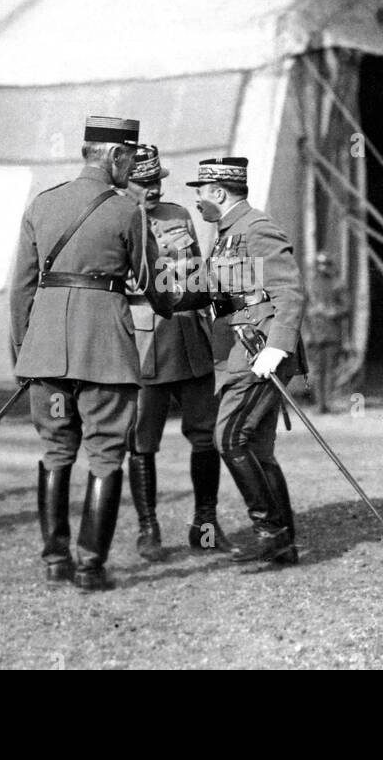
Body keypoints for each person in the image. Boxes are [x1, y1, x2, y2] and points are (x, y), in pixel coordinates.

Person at [10, 117, 179, 591]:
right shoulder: (127, 212)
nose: (131, 167)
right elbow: (152, 281)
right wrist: (173, 304)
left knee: (56, 450)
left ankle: (54, 560)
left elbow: (21, 288)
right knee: (105, 455)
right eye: (128, 157)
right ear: (114, 157)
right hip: (103, 349)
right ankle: (89, 566)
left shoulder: (42, 204)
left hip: (44, 352)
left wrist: (25, 353)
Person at [188, 157, 307, 565]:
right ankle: (283, 544)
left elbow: (289, 292)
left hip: (258, 352)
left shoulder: (256, 228)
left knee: (229, 438)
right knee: (257, 448)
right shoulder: (225, 234)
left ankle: (270, 532)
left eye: (200, 194)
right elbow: (218, 291)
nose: (198, 203)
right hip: (239, 352)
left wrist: (278, 347)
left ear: (218, 193)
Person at [122, 144, 231, 561]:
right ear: (125, 182)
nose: (152, 190)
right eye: (143, 182)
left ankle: (205, 525)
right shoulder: (117, 220)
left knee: (205, 435)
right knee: (142, 439)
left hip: (189, 338)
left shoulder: (178, 214)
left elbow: (198, 270)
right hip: (145, 343)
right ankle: (148, 530)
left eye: (156, 182)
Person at [305, 251, 348, 414]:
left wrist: (332, 311)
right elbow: (302, 311)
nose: (323, 267)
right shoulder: (309, 285)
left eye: (326, 264)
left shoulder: (337, 284)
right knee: (316, 370)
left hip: (331, 332)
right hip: (315, 333)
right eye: (320, 264)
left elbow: (346, 307)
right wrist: (306, 333)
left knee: (330, 369)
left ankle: (328, 403)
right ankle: (319, 404)